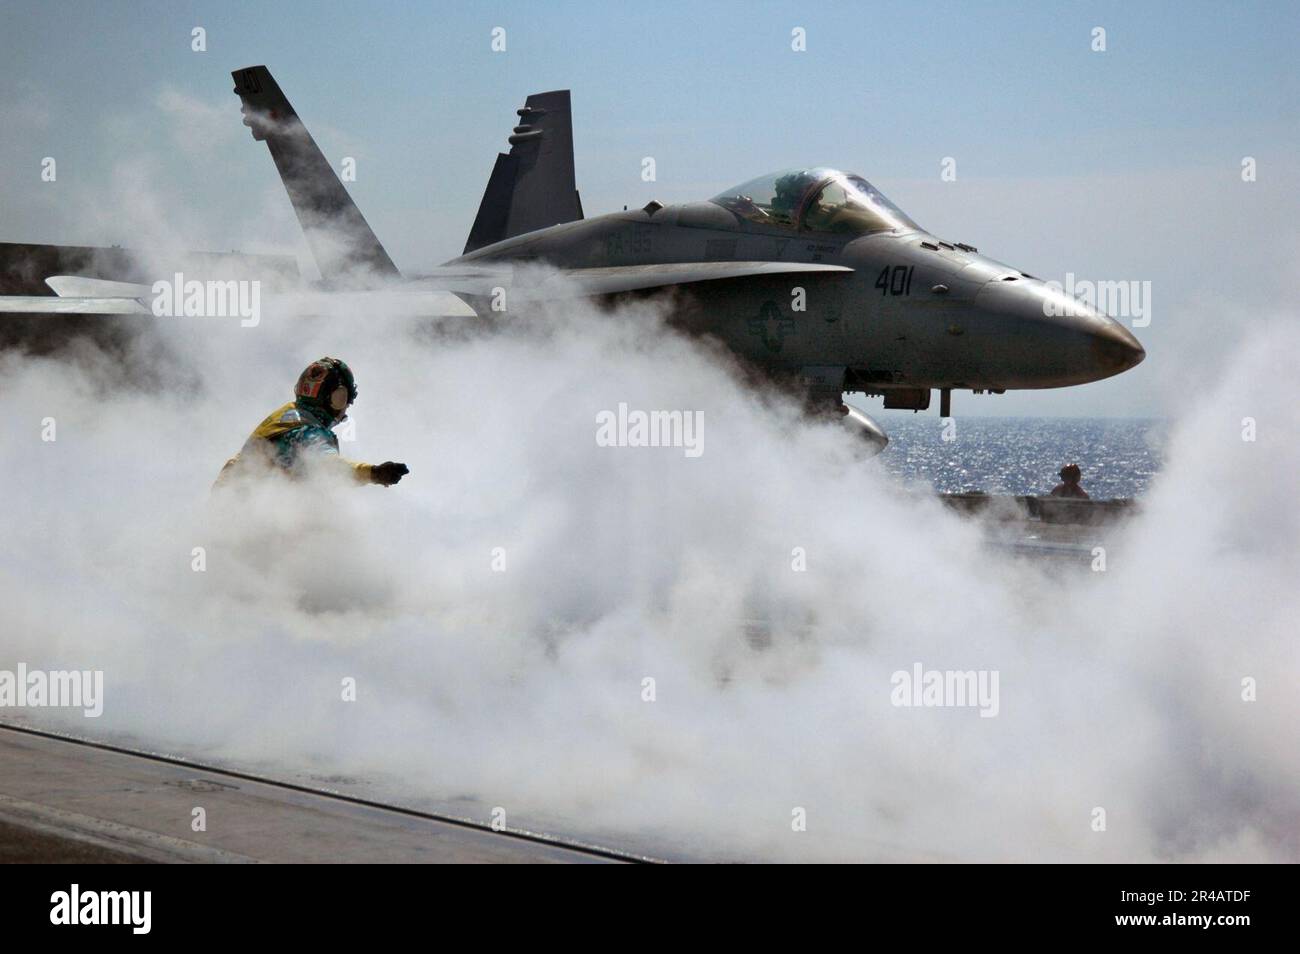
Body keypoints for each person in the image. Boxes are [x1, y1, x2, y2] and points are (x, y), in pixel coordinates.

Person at [215, 356, 408, 489]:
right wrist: (373, 473)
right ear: (337, 398)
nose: (347, 407)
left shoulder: (287, 415)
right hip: (252, 522)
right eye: (347, 399)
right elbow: (330, 468)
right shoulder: (308, 432)